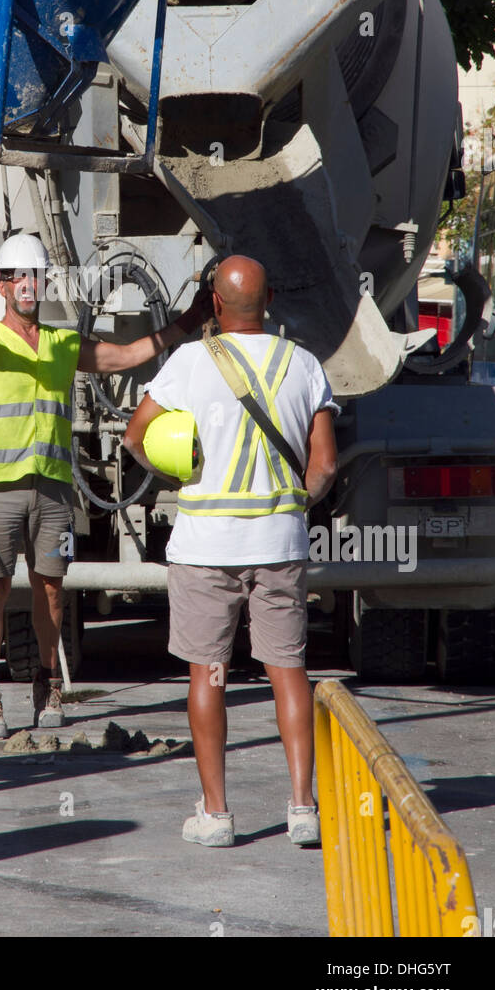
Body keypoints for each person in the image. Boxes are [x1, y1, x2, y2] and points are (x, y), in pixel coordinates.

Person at [0, 234, 214, 739]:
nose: (28, 284)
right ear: (3, 285)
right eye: (18, 276)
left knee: (51, 592)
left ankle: (47, 687)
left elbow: (125, 355)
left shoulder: (63, 343)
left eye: (35, 275)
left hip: (51, 490)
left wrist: (184, 325)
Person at [124, 255, 338, 848]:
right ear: (269, 298)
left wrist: (178, 473)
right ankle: (302, 808)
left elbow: (135, 436)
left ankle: (215, 815)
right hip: (279, 543)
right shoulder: (305, 365)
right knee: (288, 672)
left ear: (215, 304)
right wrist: (294, 504)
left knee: (210, 674)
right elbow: (323, 466)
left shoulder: (191, 362)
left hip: (205, 548)